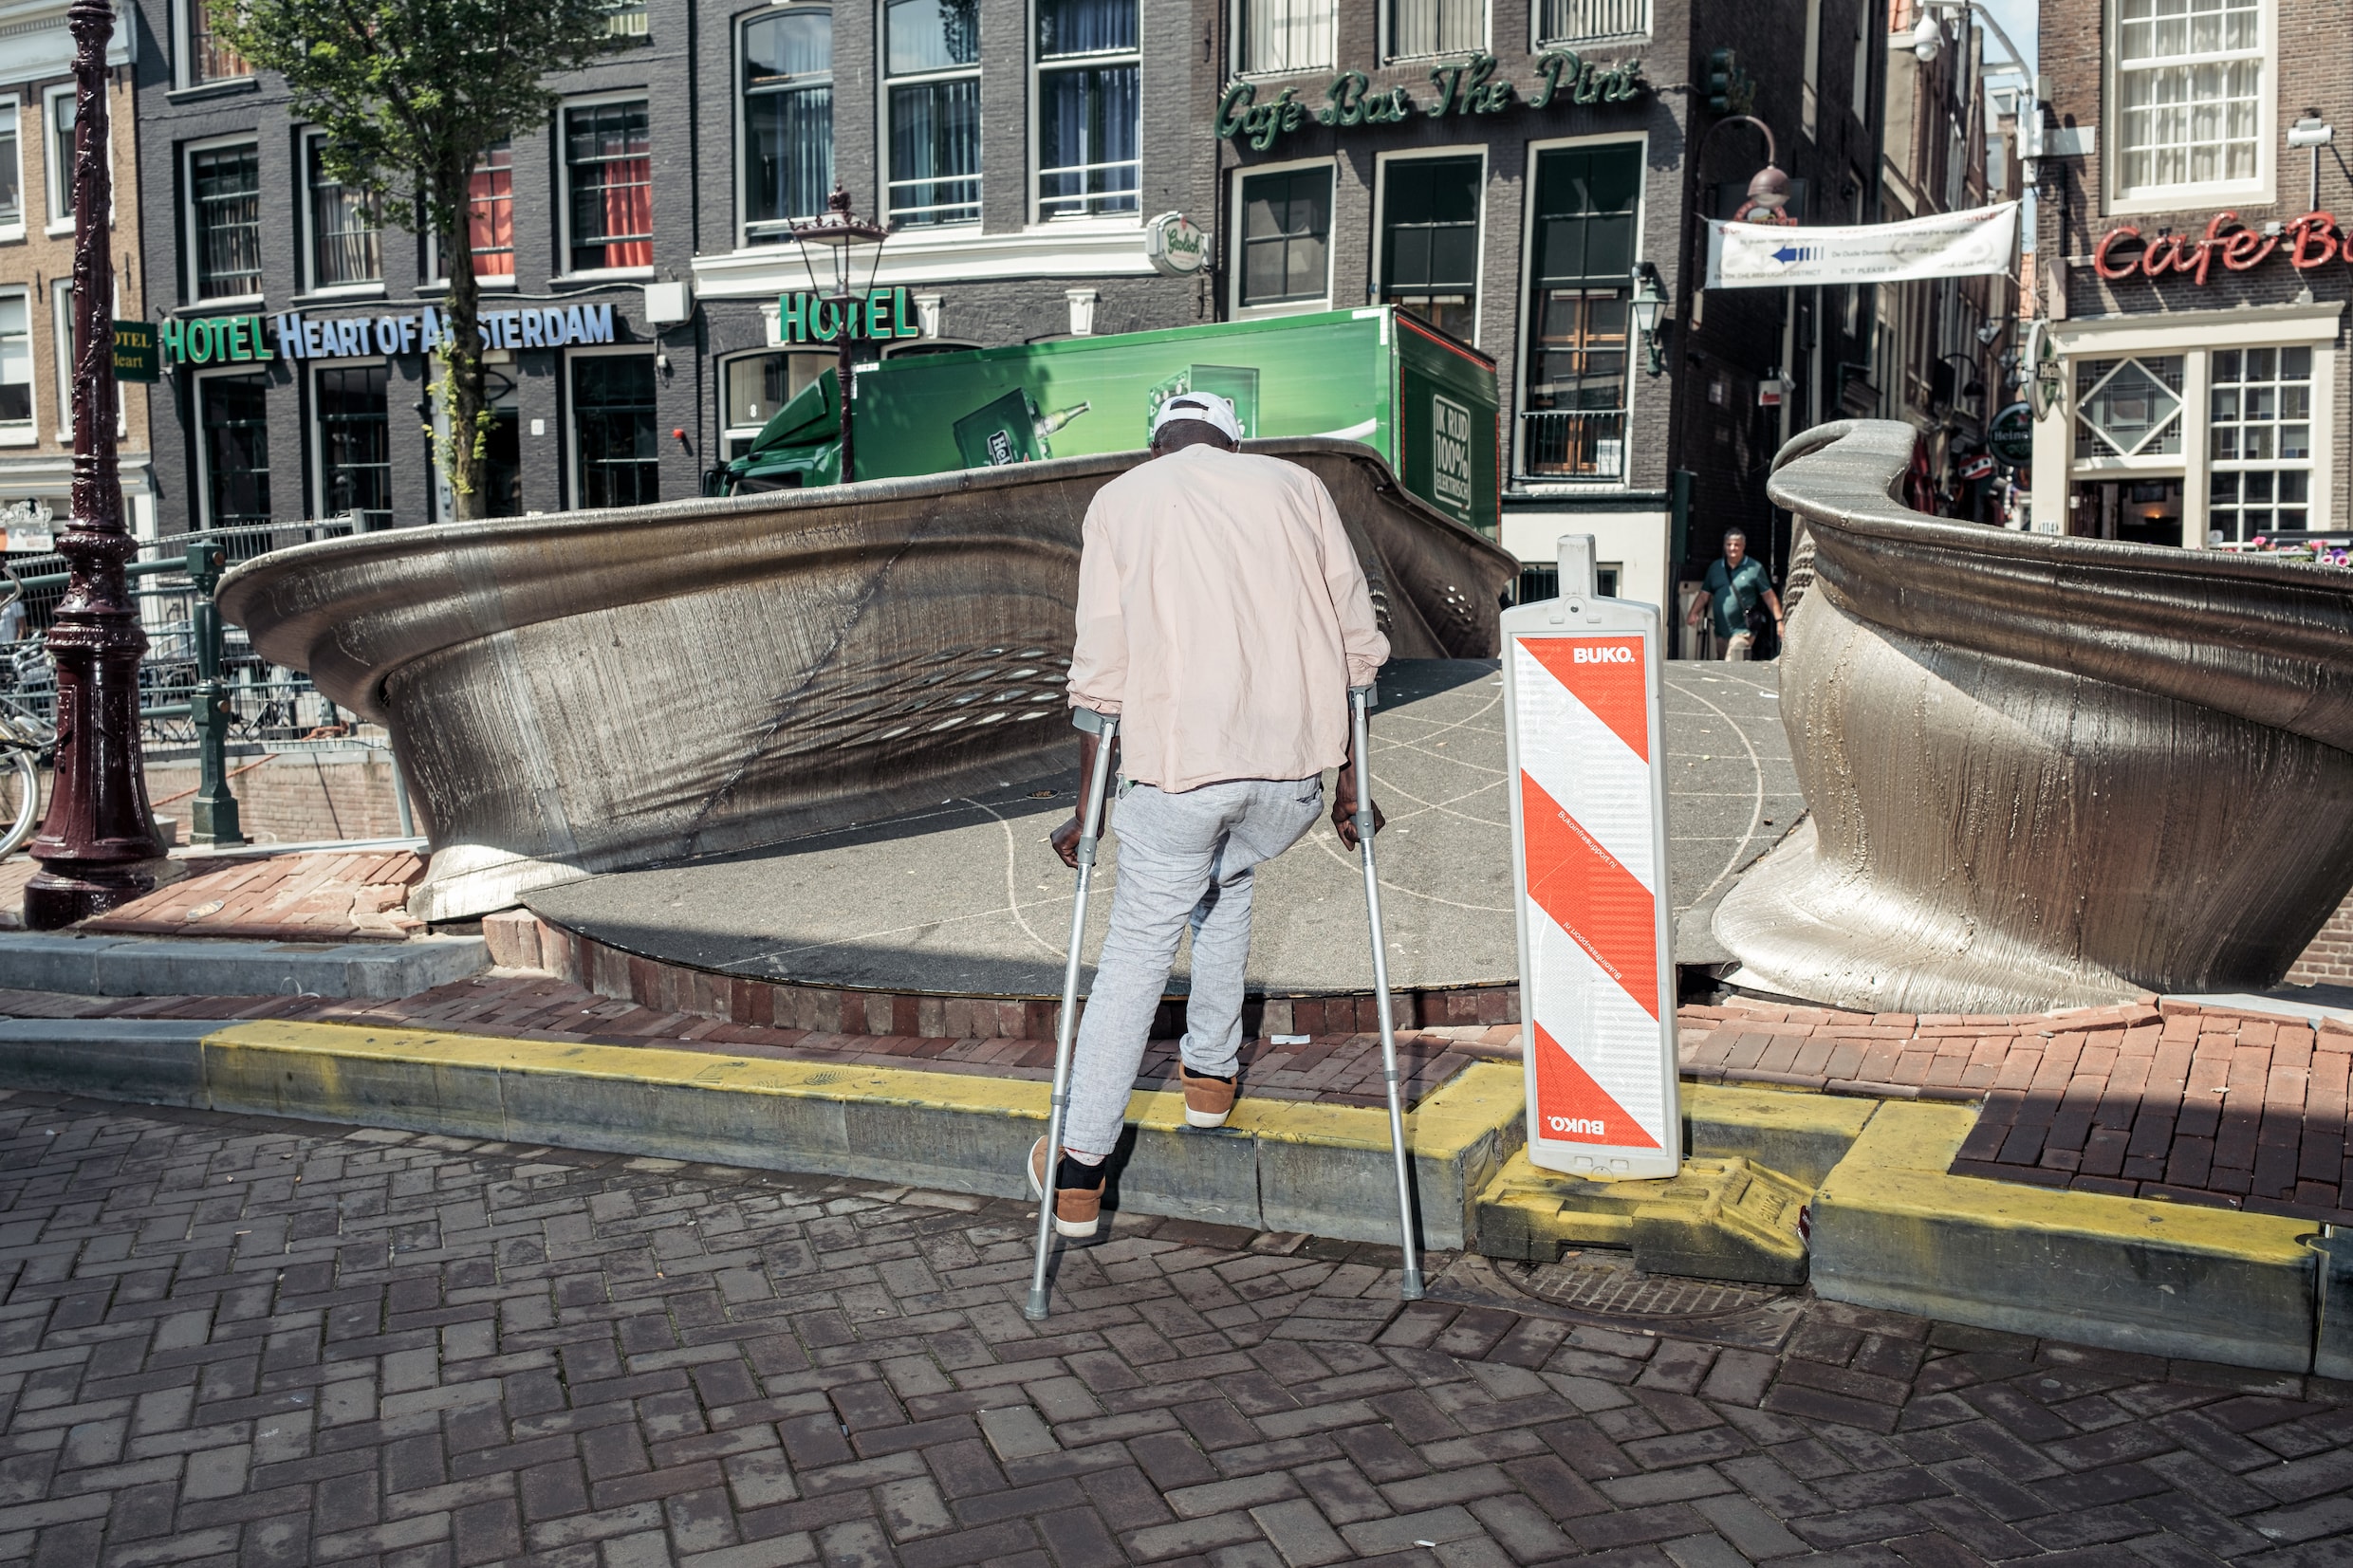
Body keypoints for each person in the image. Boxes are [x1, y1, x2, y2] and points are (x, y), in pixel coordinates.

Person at [1031, 392, 1390, 1238]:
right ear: (1237, 441)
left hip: (1182, 773)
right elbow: (1356, 646)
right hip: (1292, 776)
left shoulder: (1121, 501)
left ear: (1156, 443)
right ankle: (1210, 1078)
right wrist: (1350, 790)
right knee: (1225, 882)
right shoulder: (1297, 487)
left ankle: (1079, 1166)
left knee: (1137, 948)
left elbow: (1102, 677)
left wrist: (1089, 811)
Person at [1687, 528, 1783, 660]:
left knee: (1733, 659)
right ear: (1724, 545)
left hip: (1744, 631)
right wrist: (1693, 612)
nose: (1732, 548)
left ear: (1743, 546)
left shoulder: (1754, 568)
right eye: (1729, 544)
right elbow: (1704, 595)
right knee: (1724, 663)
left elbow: (1768, 596)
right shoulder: (1715, 568)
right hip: (1721, 632)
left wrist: (1779, 621)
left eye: (1736, 545)